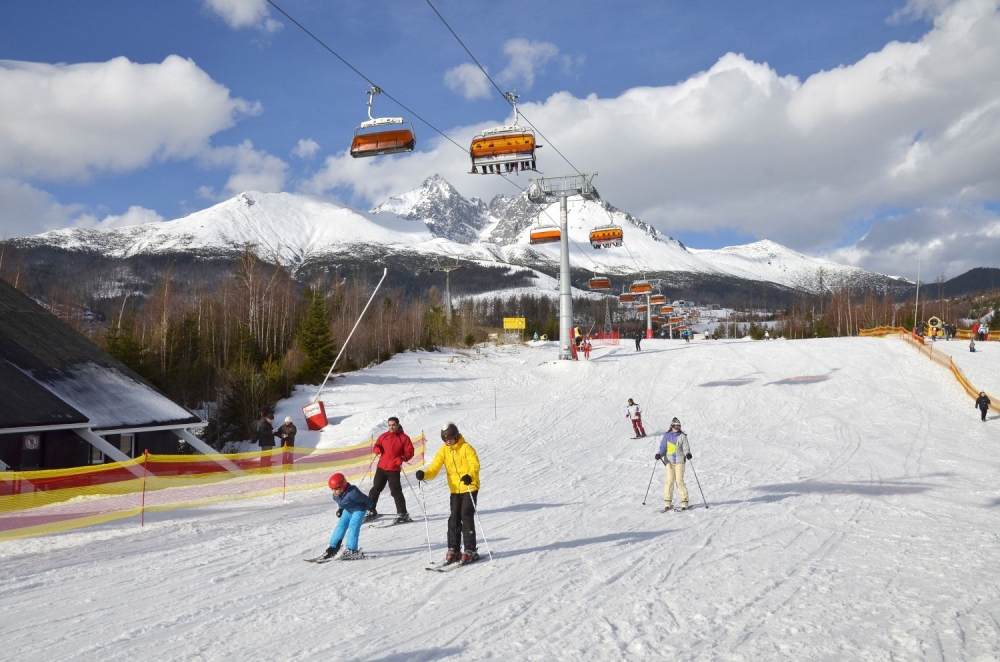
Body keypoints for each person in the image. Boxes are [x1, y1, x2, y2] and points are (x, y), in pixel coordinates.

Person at [415, 423, 481, 565]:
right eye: (445, 439)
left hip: (469, 486)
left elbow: (475, 465)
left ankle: (471, 549)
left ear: (456, 435)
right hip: (455, 490)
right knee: (453, 518)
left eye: (450, 437)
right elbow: (434, 467)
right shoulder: (444, 450)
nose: (448, 441)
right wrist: (424, 475)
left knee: (466, 515)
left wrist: (469, 476)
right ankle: (454, 548)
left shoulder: (466, 448)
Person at [315, 473, 375, 561]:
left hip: (359, 510)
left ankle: (352, 550)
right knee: (340, 526)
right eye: (332, 489)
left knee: (353, 526)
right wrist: (340, 509)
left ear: (342, 487)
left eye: (336, 489)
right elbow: (342, 502)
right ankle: (333, 547)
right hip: (348, 510)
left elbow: (365, 499)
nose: (334, 492)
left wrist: (372, 508)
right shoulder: (335, 495)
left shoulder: (353, 493)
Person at [367, 417, 414, 523]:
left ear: (398, 425)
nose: (391, 427)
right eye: (389, 425)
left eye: (393, 425)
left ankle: (402, 513)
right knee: (375, 490)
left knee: (396, 492)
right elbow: (377, 445)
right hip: (381, 468)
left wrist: (402, 458)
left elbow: (410, 451)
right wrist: (377, 449)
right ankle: (370, 510)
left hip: (393, 469)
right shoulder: (383, 436)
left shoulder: (404, 438)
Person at [654, 417, 692, 511]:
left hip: (680, 461)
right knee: (669, 481)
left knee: (679, 481)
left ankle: (684, 501)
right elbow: (663, 448)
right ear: (672, 426)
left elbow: (686, 447)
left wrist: (687, 454)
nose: (677, 428)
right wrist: (659, 454)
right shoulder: (667, 436)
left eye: (678, 426)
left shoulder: (682, 436)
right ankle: (667, 502)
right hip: (669, 462)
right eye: (675, 426)